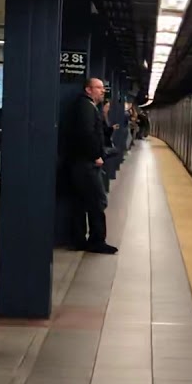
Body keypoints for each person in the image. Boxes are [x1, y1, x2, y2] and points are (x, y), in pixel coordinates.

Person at [62, 78, 117, 254]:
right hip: (86, 164)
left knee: (80, 202)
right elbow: (86, 134)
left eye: (103, 88)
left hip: (79, 163)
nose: (103, 91)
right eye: (99, 88)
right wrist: (96, 156)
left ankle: (78, 240)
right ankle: (96, 241)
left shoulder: (85, 105)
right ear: (88, 89)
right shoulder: (86, 107)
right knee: (97, 201)